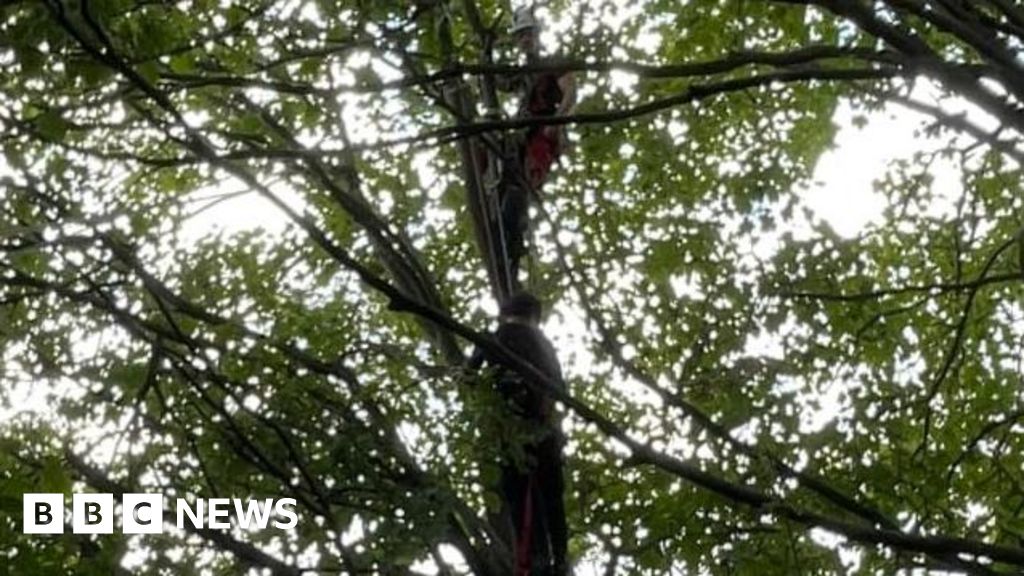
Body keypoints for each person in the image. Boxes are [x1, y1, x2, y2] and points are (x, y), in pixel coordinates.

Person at [468, 292, 569, 575]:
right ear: (535, 316)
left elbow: (468, 376)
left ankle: (536, 560)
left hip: (509, 431)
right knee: (551, 497)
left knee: (517, 495)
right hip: (543, 431)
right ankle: (558, 557)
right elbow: (561, 389)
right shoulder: (545, 346)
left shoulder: (493, 339)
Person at [498, 7, 576, 284]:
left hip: (543, 130)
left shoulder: (552, 63)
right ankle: (506, 234)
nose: (526, 39)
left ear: (538, 34)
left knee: (523, 185)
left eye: (529, 33)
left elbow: (570, 91)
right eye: (521, 36)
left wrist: (558, 121)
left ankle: (514, 237)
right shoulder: (522, 73)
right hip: (519, 133)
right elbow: (497, 82)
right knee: (502, 183)